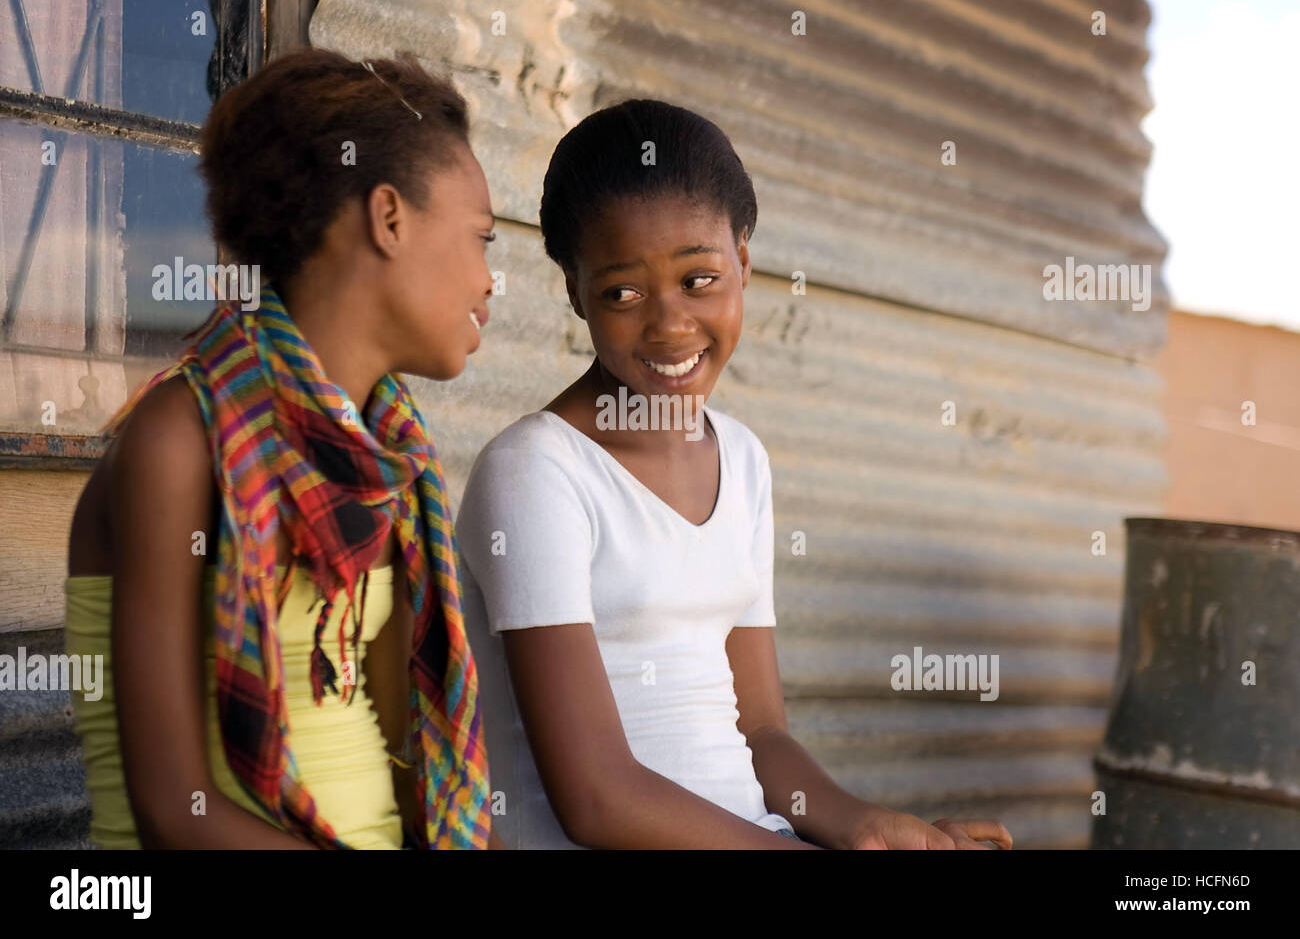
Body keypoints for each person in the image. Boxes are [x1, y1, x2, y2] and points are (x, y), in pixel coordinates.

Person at [456, 99, 1013, 849]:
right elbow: (596, 798)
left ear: (743, 261)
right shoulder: (536, 471)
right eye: (623, 292)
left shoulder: (743, 460)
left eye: (700, 279)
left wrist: (867, 828)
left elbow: (761, 734)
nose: (670, 325)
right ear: (574, 291)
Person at [64, 48, 498, 849]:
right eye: (482, 240)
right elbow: (173, 811)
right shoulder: (182, 436)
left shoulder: (389, 457)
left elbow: (409, 759)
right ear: (389, 219)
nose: (488, 282)